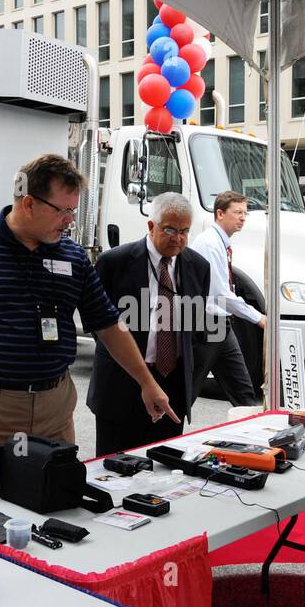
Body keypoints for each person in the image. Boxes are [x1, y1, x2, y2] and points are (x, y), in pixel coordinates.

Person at [0, 154, 176, 490]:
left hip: (54, 406)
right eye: (63, 211)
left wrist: (147, 382)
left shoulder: (72, 257)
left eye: (74, 210)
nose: (70, 220)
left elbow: (109, 326)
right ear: (28, 203)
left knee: (54, 496)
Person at [88, 192, 215, 455]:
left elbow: (198, 329)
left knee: (162, 474)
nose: (177, 238)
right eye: (169, 229)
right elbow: (99, 326)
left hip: (173, 387)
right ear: (150, 225)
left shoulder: (198, 266)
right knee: (114, 471)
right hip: (123, 385)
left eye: (184, 231)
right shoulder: (114, 263)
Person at [190, 190, 263, 407]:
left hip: (221, 324)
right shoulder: (210, 244)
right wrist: (258, 317)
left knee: (243, 389)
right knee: (188, 388)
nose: (243, 217)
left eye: (245, 213)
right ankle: (165, 430)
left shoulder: (220, 243)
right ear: (220, 214)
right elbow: (220, 293)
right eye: (238, 212)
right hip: (206, 325)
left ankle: (251, 426)